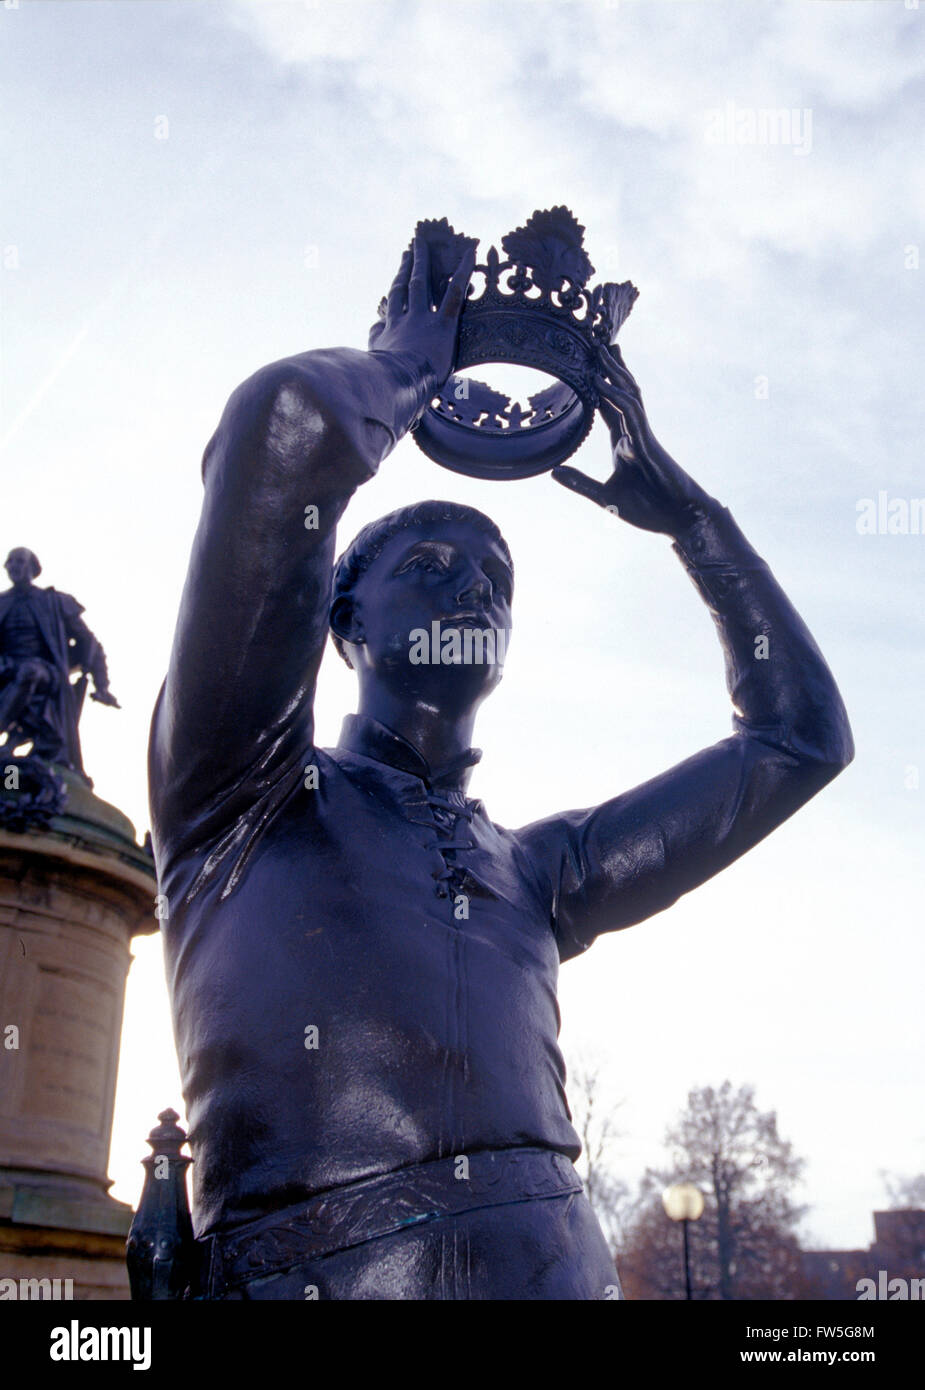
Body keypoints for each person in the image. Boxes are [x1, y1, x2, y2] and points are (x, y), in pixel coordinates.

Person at [148, 235, 853, 1299]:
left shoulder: (537, 871)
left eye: (493, 578)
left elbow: (800, 741)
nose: (471, 589)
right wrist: (404, 368)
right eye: (428, 568)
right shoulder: (241, 793)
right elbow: (284, 424)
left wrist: (697, 526)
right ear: (341, 623)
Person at [0, 547, 119, 776]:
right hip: (7, 665)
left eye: (20, 561)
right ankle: (11, 751)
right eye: (10, 562)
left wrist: (101, 685)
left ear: (33, 568)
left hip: (44, 670)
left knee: (28, 672)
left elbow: (88, 642)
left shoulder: (52, 601)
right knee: (19, 672)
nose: (14, 566)